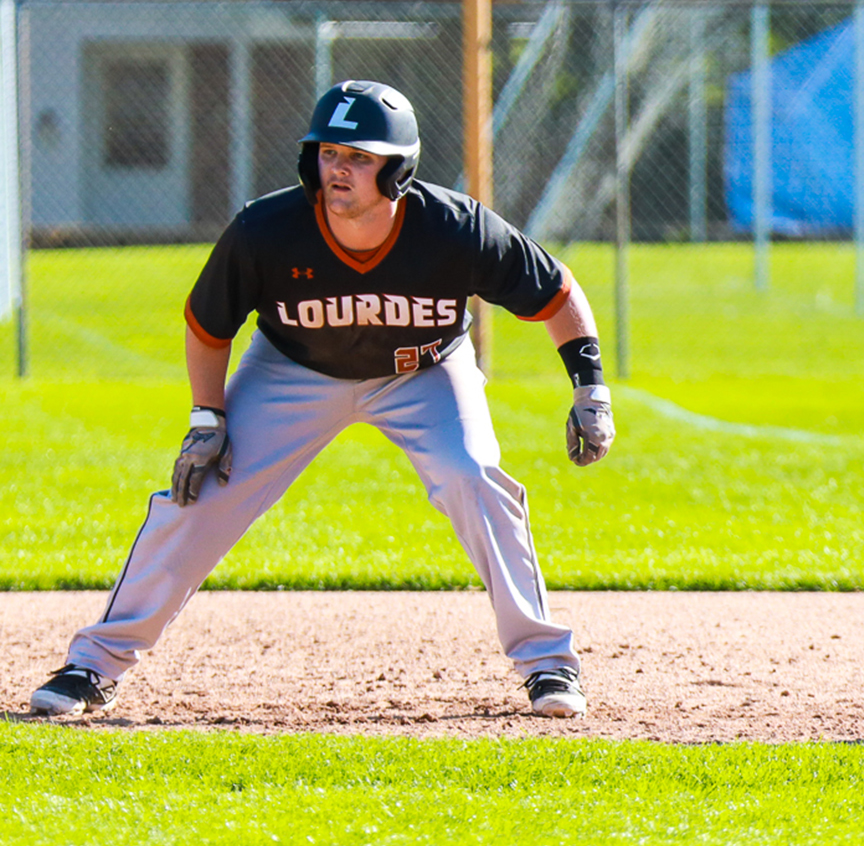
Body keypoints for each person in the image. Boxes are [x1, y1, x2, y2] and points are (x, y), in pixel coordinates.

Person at [29, 80, 615, 720]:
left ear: (398, 172)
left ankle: (547, 664)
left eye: (360, 157)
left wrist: (590, 387)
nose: (339, 169)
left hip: (424, 371)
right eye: (330, 152)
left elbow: (557, 294)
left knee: (473, 475)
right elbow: (206, 327)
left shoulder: (454, 228)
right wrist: (207, 418)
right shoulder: (268, 229)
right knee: (202, 495)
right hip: (291, 370)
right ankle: (94, 664)